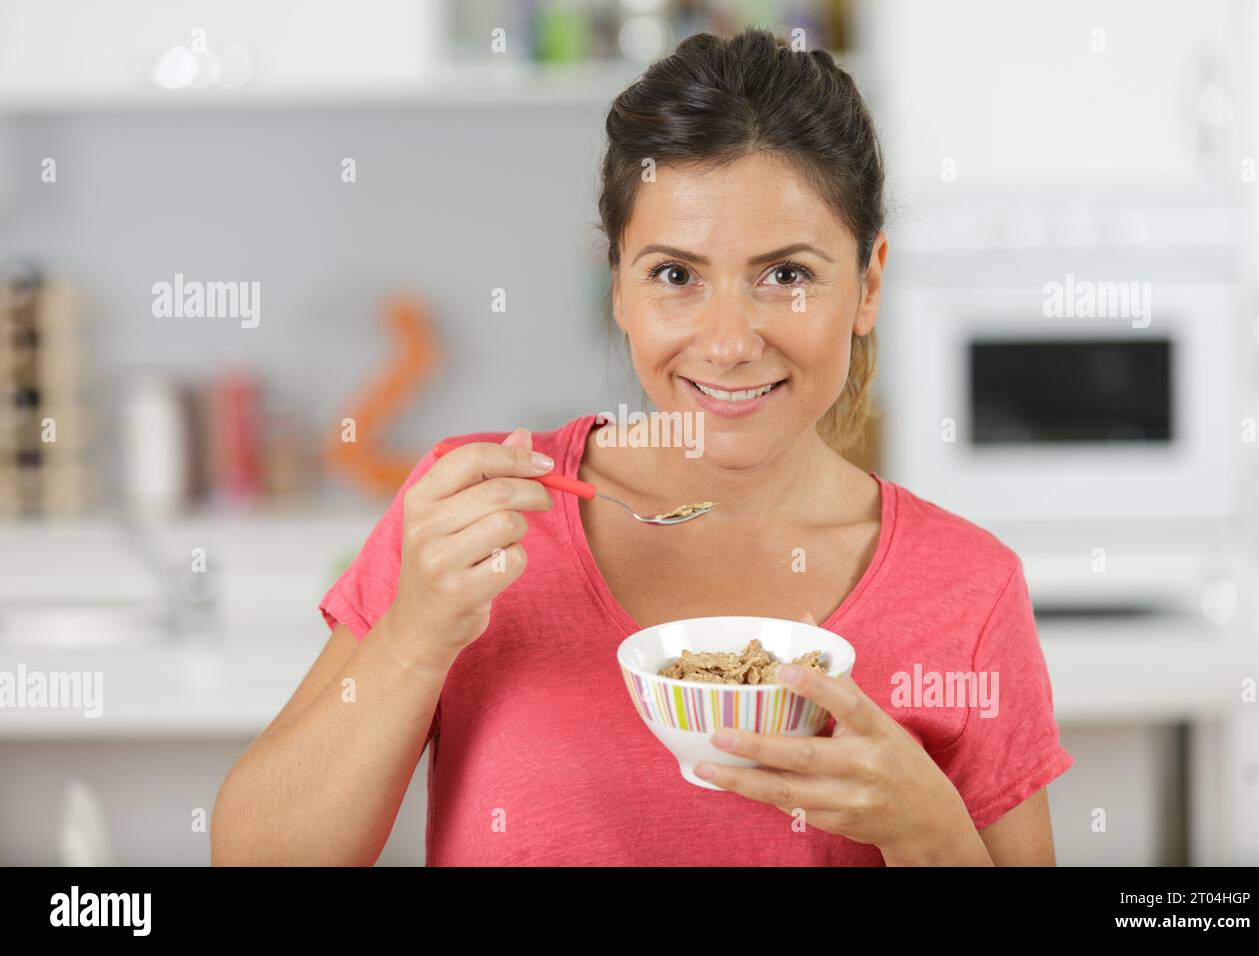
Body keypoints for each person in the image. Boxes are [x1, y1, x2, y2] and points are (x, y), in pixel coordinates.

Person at [212, 28, 1072, 866]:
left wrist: (928, 832)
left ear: (869, 284)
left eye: (788, 275)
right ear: (617, 285)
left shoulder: (967, 590)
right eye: (674, 275)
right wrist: (414, 636)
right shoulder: (480, 519)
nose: (729, 342)